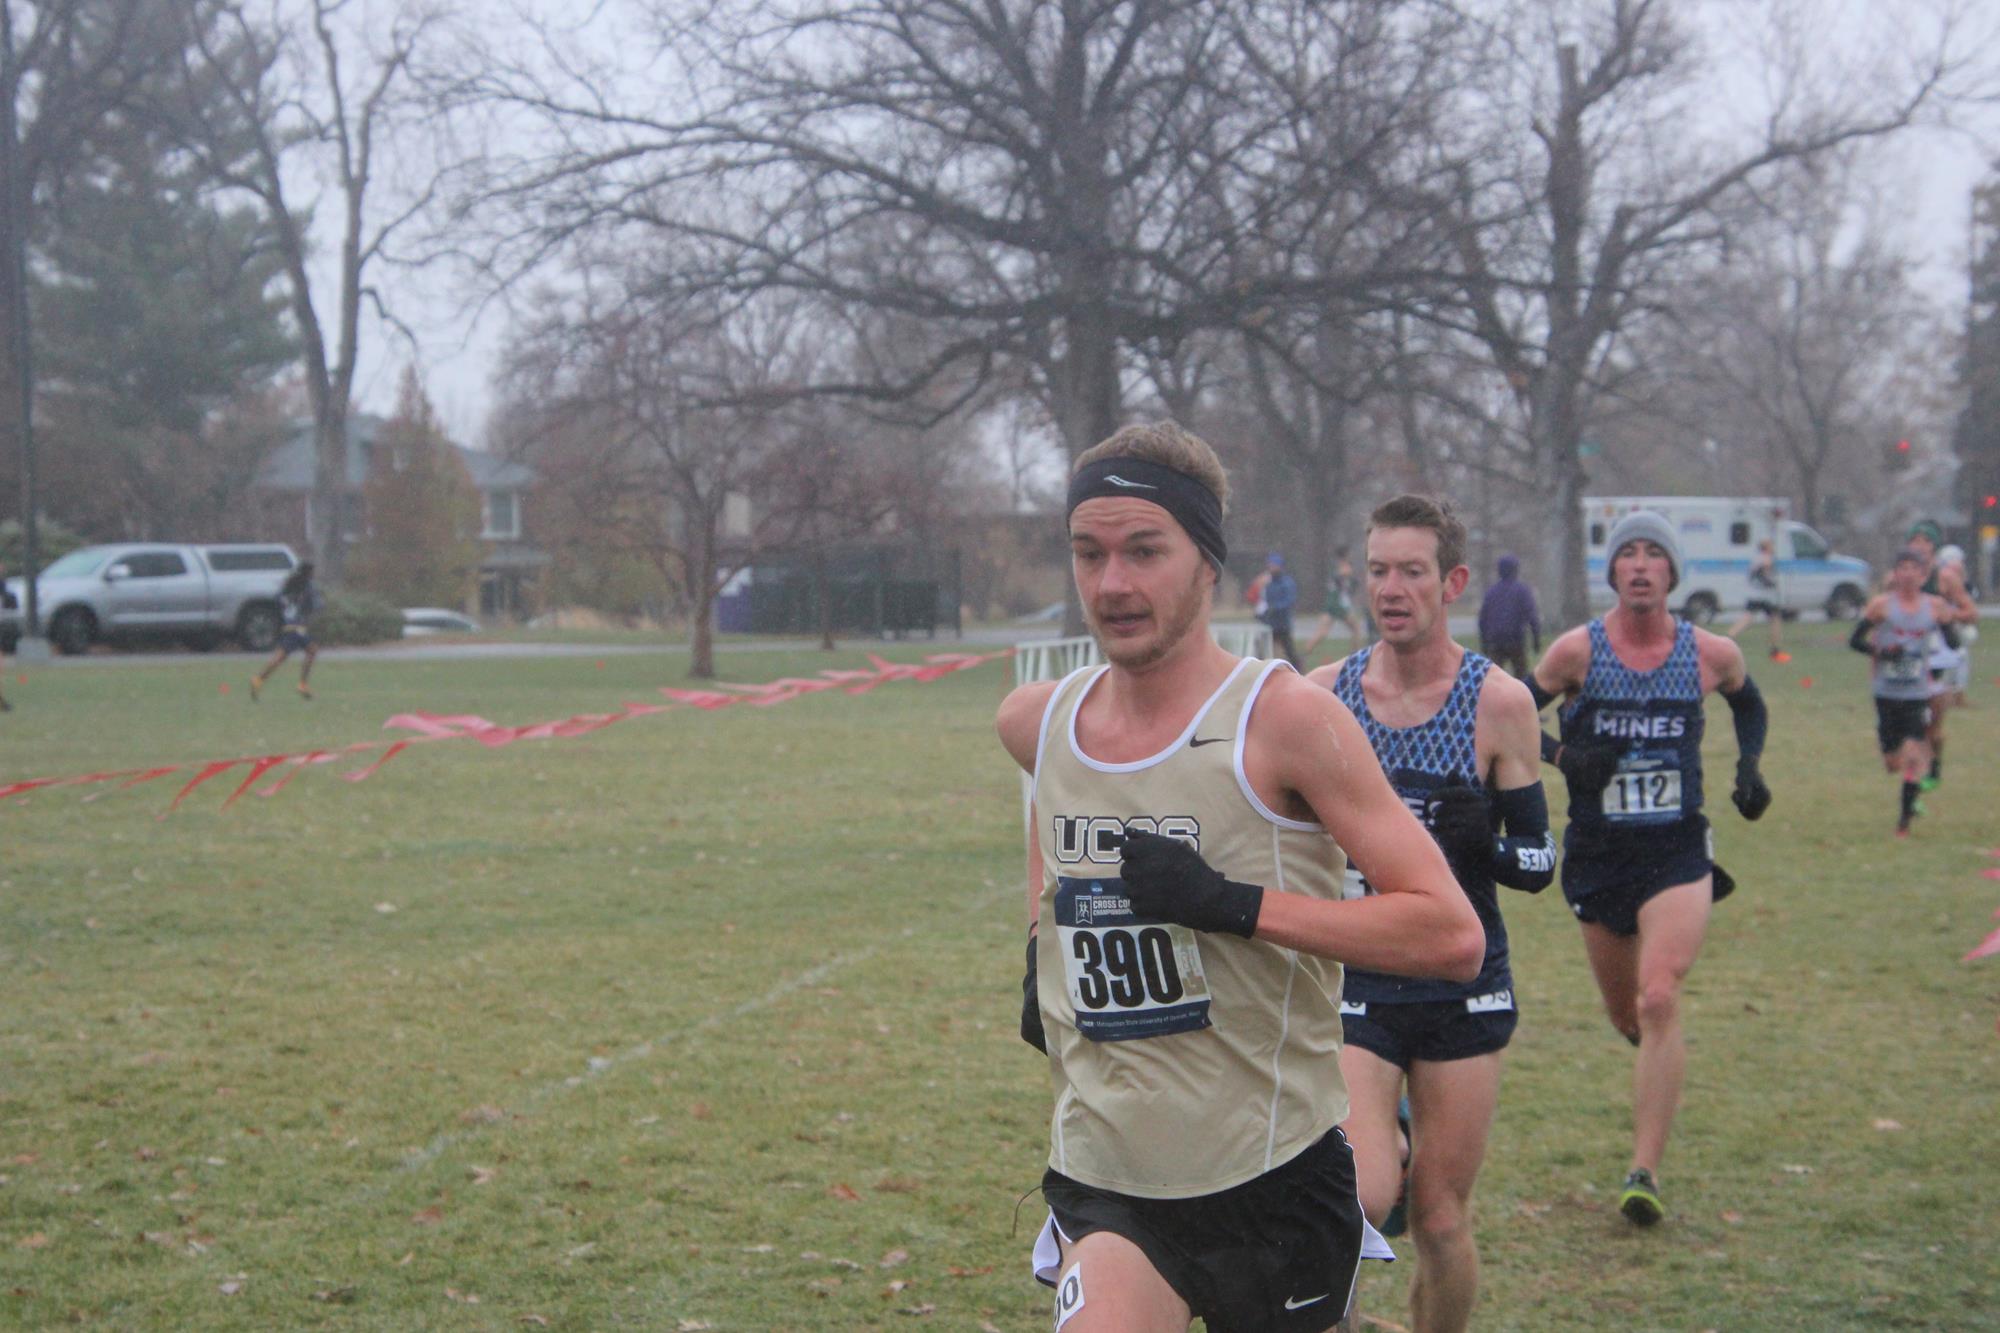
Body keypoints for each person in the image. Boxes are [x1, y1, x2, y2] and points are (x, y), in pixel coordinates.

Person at [995, 421, 1485, 1333]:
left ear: (1208, 560)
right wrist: (1041, 940)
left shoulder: (1286, 719)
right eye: (1088, 552)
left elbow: (1450, 934)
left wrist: (1233, 906)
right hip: (1108, 1182)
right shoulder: (1038, 720)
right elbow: (1051, 806)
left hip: (1271, 1185)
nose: (1112, 584)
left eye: (1145, 550)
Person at [1304, 496, 1552, 1333]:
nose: (1392, 588)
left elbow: (1538, 864)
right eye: (1378, 570)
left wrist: (1484, 841)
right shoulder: (1324, 694)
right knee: (1358, 1200)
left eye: (1411, 571)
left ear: (1452, 582)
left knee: (1442, 1217)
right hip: (1358, 984)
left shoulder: (1501, 702)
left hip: (1462, 984)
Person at [1525, 509, 1772, 1226]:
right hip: (1600, 857)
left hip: (1677, 852)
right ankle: (1654, 1060)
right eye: (1625, 554)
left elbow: (1749, 703)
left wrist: (1750, 766)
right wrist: (1567, 757)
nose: (1638, 564)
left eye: (1652, 554)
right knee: (1629, 1015)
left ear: (1670, 573)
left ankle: (1643, 1172)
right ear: (1612, 574)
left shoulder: (1709, 652)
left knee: (1660, 995)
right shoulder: (1576, 652)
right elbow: (1505, 713)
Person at [1850, 548, 1960, 836]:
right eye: (1903, 568)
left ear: (1924, 576)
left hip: (1916, 692)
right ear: (1895, 574)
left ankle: (1904, 821)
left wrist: (1949, 622)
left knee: (1914, 754)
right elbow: (1855, 641)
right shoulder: (1881, 606)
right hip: (1885, 692)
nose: (1908, 574)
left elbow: (1954, 641)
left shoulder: (1933, 607)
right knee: (1892, 762)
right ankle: (1900, 769)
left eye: (1915, 569)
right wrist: (1882, 652)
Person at [1903, 521, 1979, 789]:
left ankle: (1934, 763)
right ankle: (1917, 772)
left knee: (1933, 721)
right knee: (1913, 719)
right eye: (1915, 540)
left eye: (1925, 541)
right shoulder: (1898, 577)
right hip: (1909, 657)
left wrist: (1948, 614)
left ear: (1933, 547)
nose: (1919, 546)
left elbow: (1971, 613)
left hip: (1940, 656)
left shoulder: (1944, 578)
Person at [250, 562, 322, 701]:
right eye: (312, 572)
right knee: (307, 652)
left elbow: (277, 599)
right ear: (308, 573)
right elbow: (317, 605)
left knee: (286, 656)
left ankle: (258, 680)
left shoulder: (289, 585)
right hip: (298, 628)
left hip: (288, 626)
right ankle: (301, 685)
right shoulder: (307, 586)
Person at [1723, 539, 1790, 663]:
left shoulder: (1757, 558)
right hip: (1764, 596)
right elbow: (1764, 575)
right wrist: (1773, 583)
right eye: (1771, 545)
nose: (1773, 547)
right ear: (1766, 548)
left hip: (1754, 593)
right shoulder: (1766, 559)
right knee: (1775, 619)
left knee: (1748, 618)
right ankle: (1775, 651)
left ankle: (1728, 637)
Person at [1475, 553, 1541, 679]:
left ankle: (1495, 698)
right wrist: (1535, 639)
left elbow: (1483, 619)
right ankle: (1520, 697)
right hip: (1516, 640)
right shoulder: (1522, 590)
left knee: (1494, 678)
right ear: (1516, 570)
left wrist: (1484, 643)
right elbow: (1532, 615)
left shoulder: (1491, 592)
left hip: (1495, 641)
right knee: (1521, 676)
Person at [1301, 546, 1365, 662]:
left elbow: (1349, 585)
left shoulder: (1336, 566)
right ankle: (1355, 657)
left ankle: (1303, 655)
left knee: (1322, 633)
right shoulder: (1344, 566)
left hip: (1331, 603)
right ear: (1345, 555)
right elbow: (1346, 581)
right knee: (1356, 629)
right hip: (1338, 604)